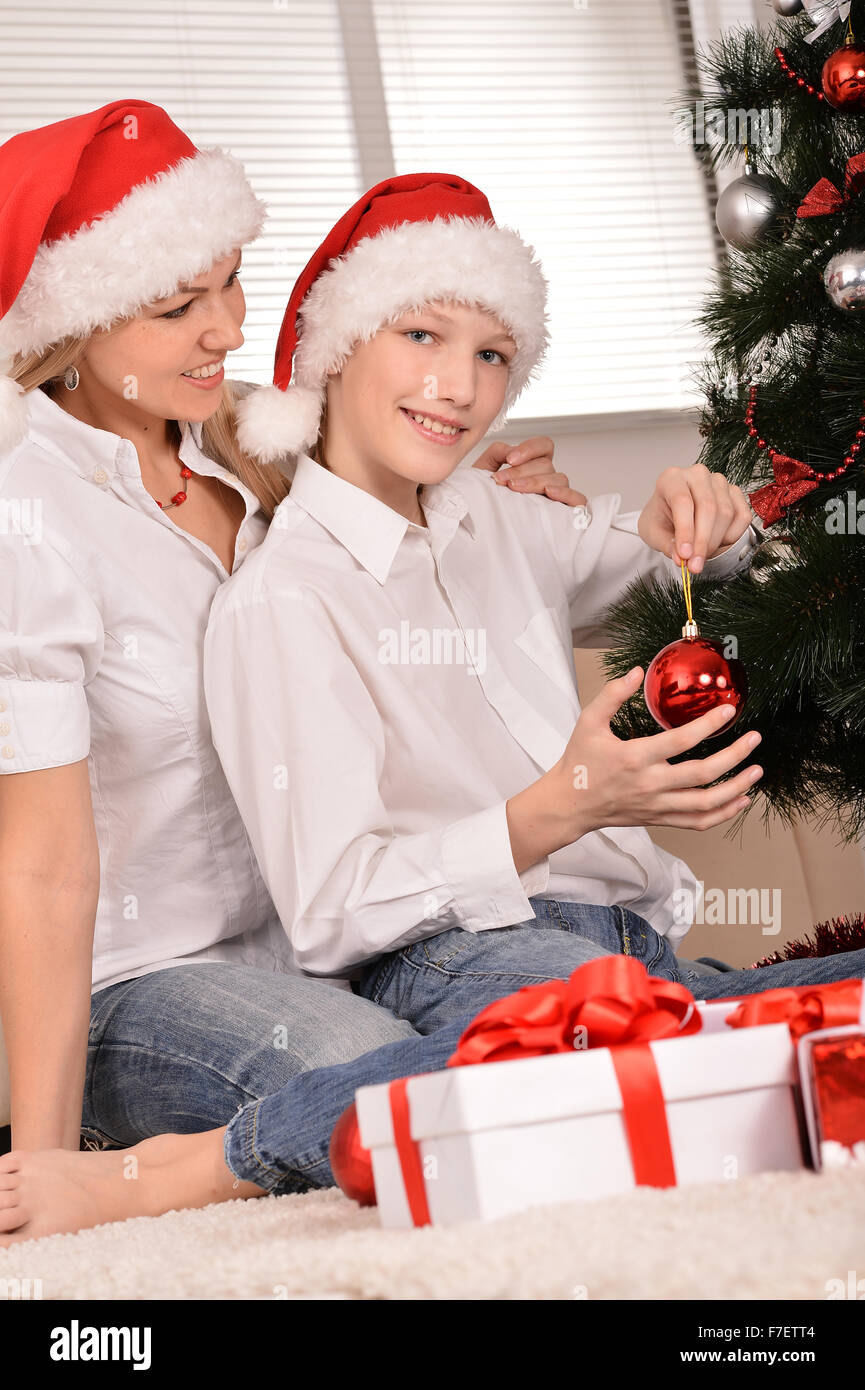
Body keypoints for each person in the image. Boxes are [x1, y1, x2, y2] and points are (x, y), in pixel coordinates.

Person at [0, 107, 566, 1158]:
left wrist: (473, 504)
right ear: (71, 327)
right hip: (142, 987)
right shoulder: (24, 515)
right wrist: (43, 1169)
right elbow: (40, 864)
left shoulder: (244, 453)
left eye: (229, 281)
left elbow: (380, 549)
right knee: (402, 1098)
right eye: (178, 305)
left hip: (328, 946)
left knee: (557, 1030)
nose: (225, 327)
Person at [201, 172, 767, 1036]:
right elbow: (329, 911)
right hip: (455, 951)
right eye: (421, 333)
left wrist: (710, 524)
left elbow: (692, 578)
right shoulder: (282, 600)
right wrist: (563, 805)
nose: (459, 388)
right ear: (335, 346)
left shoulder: (508, 519)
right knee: (646, 1031)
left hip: (636, 942)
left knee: (813, 1011)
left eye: (491, 354)